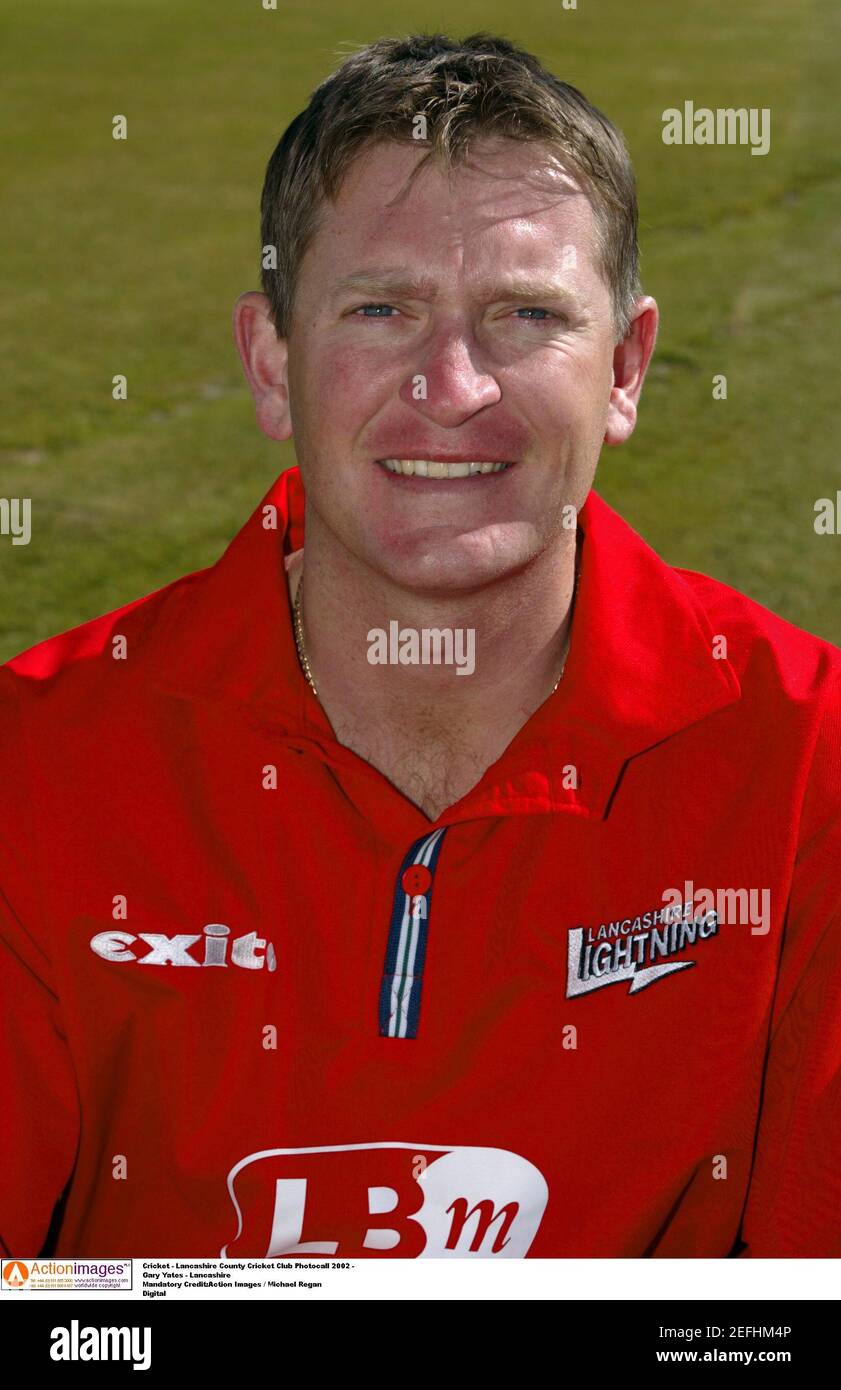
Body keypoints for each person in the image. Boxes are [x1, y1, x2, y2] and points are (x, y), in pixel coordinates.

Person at [1, 33, 839, 1261]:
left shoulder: (807, 758)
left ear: (625, 367)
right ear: (272, 361)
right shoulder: (38, 759)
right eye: (380, 308)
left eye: (524, 315)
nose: (451, 385)